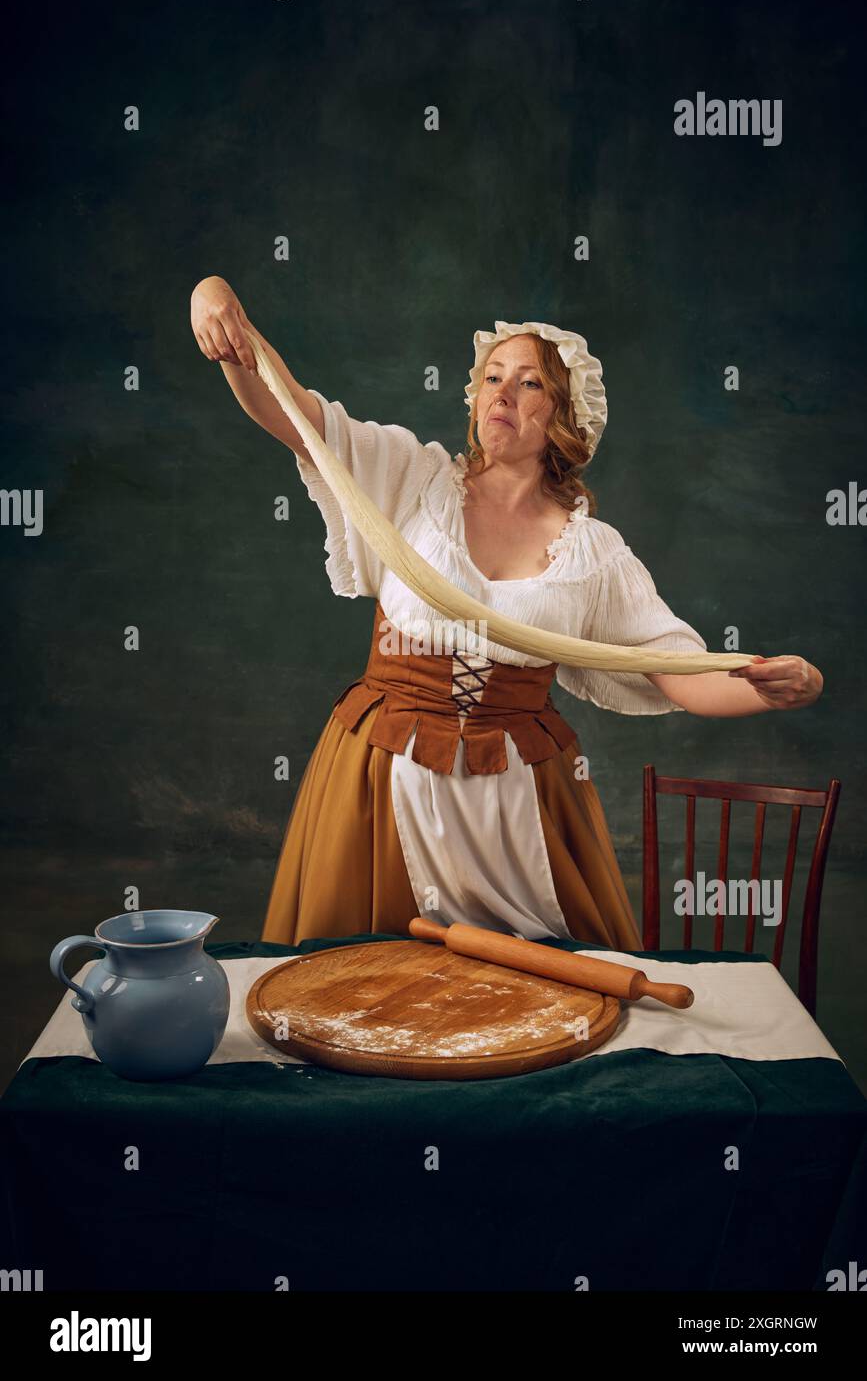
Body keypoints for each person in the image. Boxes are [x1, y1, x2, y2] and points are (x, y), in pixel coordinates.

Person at [190, 278, 824, 950]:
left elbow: (675, 670)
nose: (500, 391)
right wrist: (213, 301)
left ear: (564, 416)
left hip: (517, 796)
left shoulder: (593, 553)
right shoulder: (412, 477)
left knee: (537, 995)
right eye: (492, 377)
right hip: (381, 774)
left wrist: (768, 686)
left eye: (527, 383)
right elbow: (291, 415)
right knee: (360, 990)